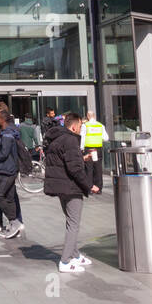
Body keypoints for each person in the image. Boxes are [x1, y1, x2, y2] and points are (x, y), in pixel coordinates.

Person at [45, 111, 98, 273]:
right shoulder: (70, 140)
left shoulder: (59, 139)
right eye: (81, 126)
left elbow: (66, 161)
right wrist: (89, 185)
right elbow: (74, 169)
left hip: (61, 186)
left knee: (70, 221)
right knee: (73, 224)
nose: (82, 129)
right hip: (70, 186)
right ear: (74, 127)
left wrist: (82, 158)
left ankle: (74, 255)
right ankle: (66, 260)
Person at [0, 102, 23, 233]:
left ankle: (16, 221)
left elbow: (6, 151)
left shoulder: (9, 130)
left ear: (1, 115)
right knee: (1, 193)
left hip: (8, 166)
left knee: (3, 195)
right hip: (2, 166)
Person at [80, 109, 106, 193]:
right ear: (94, 116)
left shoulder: (85, 125)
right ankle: (99, 188)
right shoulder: (100, 125)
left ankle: (89, 188)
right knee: (98, 168)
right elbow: (106, 138)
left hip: (89, 149)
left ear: (87, 116)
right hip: (98, 149)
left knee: (89, 168)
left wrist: (81, 148)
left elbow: (82, 137)